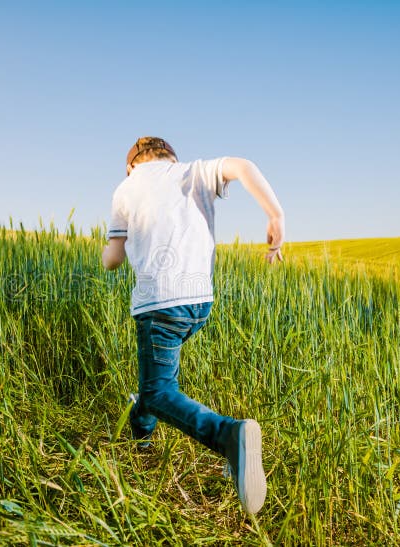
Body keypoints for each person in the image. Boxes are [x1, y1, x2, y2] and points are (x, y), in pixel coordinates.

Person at [101, 136, 285, 515]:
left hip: (159, 306)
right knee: (154, 378)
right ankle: (142, 438)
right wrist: (275, 216)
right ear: (170, 157)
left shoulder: (126, 188)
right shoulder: (194, 171)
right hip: (199, 303)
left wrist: (110, 250)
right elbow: (243, 166)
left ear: (131, 165)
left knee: (158, 391)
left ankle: (228, 435)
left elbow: (113, 259)